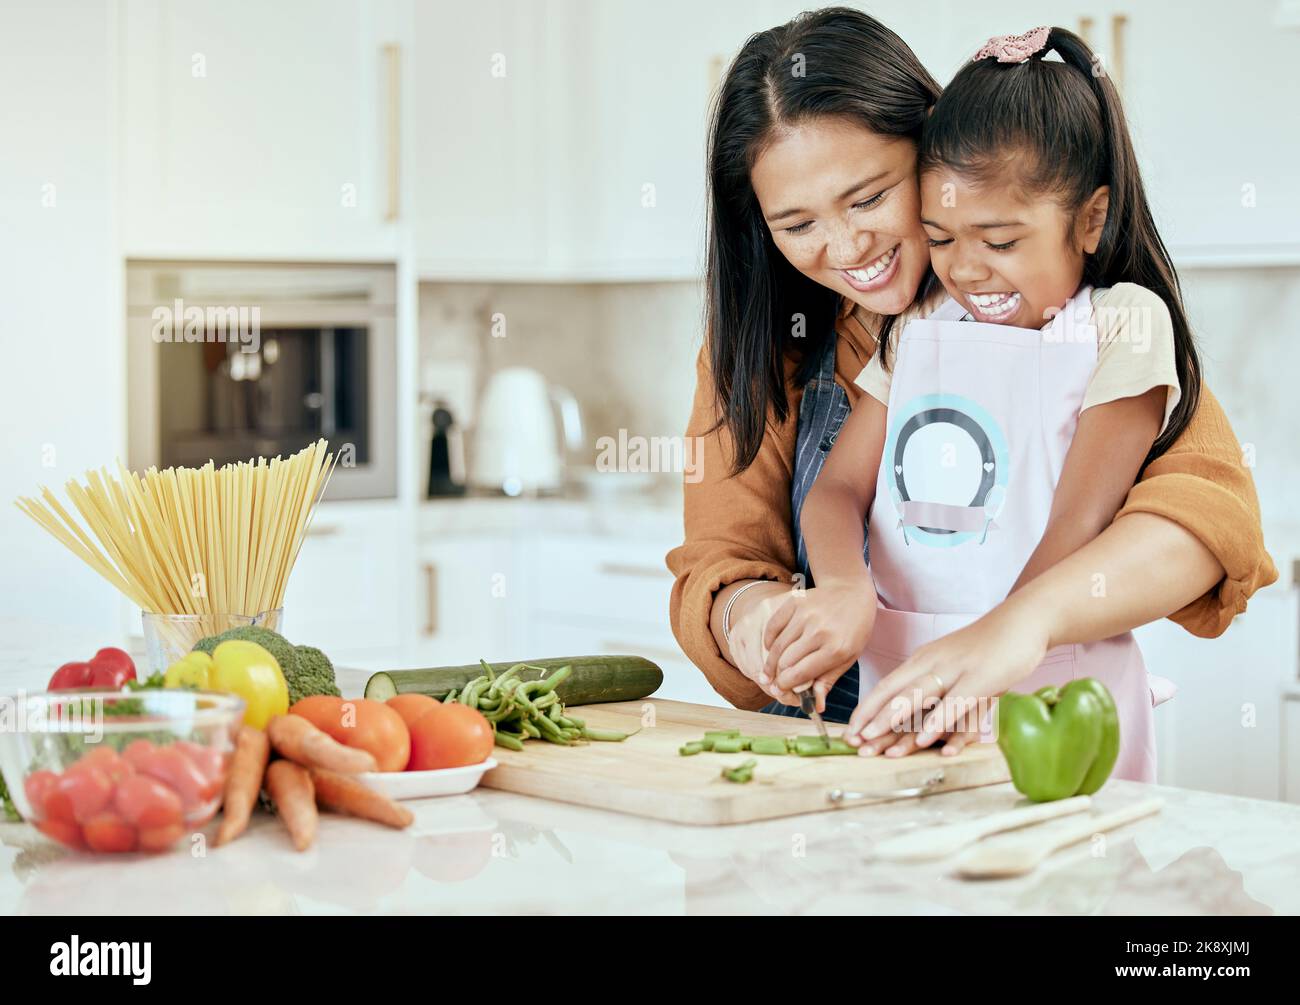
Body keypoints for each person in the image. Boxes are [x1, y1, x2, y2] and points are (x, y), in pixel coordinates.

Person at [666, 8, 1276, 753]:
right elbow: (722, 563)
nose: (848, 244)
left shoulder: (1103, 324)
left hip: (1024, 714)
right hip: (831, 739)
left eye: (868, 198)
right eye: (797, 225)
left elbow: (1208, 521)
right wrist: (770, 619)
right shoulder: (781, 346)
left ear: (930, 147)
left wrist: (1015, 629)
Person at [777, 24, 1203, 779]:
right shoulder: (919, 323)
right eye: (940, 238)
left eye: (1000, 240)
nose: (968, 271)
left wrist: (995, 644)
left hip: (1051, 680)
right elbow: (837, 488)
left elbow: (1082, 520)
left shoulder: (1124, 323)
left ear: (1092, 219)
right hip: (906, 680)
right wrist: (843, 588)